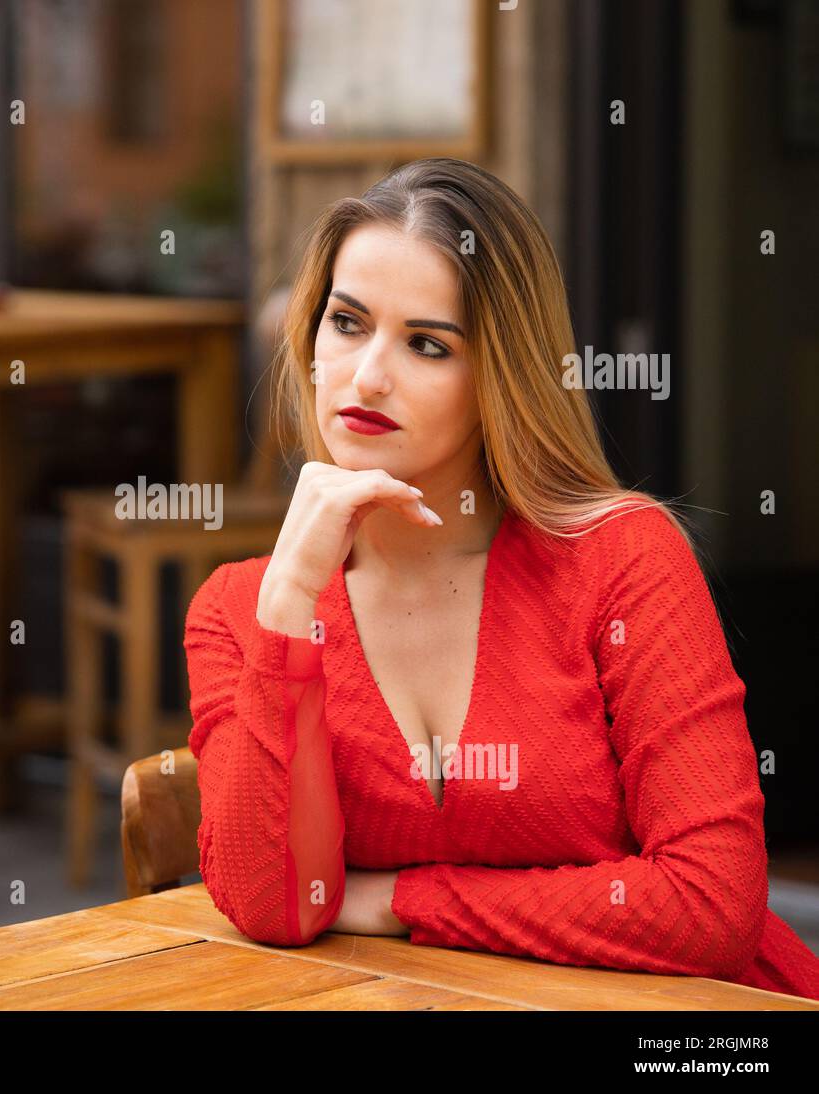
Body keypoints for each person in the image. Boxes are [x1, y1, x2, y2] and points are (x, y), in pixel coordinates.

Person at [183, 157, 819, 1000]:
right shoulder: (245, 609)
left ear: (501, 378)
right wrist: (293, 596)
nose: (369, 374)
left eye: (427, 344)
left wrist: (408, 898)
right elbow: (272, 906)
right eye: (347, 323)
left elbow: (710, 904)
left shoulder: (624, 560)